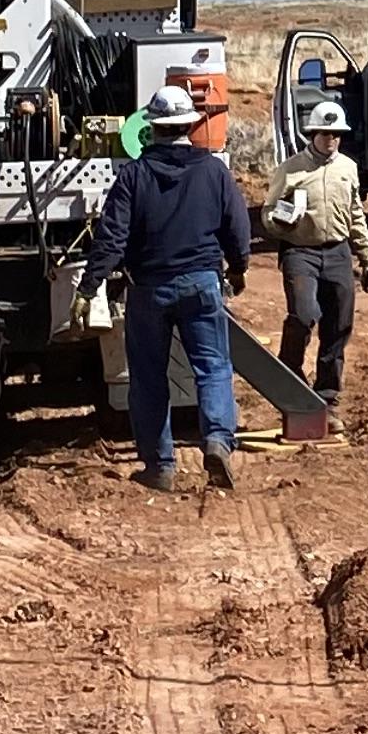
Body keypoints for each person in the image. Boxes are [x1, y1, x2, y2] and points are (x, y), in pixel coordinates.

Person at [86, 81, 253, 492]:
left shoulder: (133, 176)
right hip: (202, 284)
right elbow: (238, 226)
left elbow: (112, 237)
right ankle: (217, 440)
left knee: (148, 377)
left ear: (152, 127)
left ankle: (159, 466)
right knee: (213, 368)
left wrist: (89, 286)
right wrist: (239, 268)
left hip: (150, 290)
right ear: (189, 126)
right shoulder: (214, 171)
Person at [262, 93, 368, 410]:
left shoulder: (348, 168)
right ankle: (290, 374)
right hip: (300, 252)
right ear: (313, 134)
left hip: (338, 253)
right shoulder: (291, 169)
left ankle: (327, 393)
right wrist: (280, 222)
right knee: (305, 312)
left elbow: (356, 214)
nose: (331, 139)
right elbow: (268, 213)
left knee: (339, 324)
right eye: (325, 134)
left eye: (337, 134)